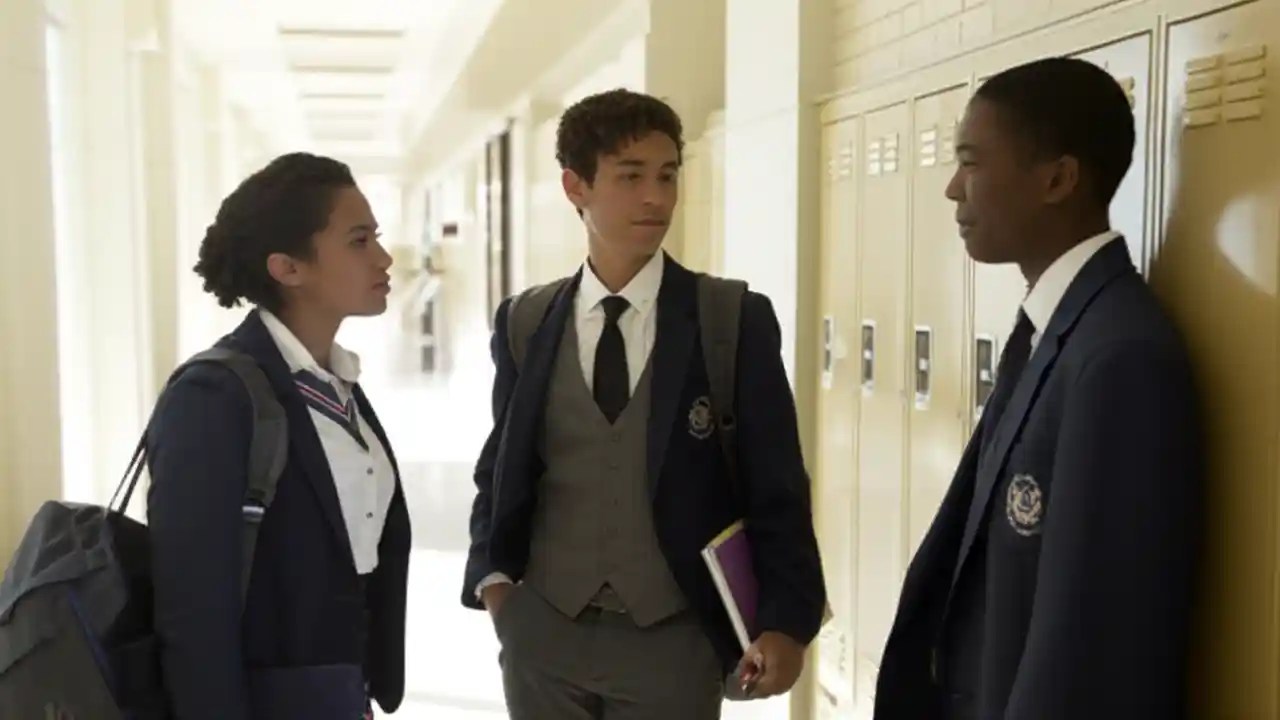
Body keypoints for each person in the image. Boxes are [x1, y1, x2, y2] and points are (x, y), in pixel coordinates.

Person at [461, 88, 827, 718]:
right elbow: (501, 466)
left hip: (673, 638)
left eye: (667, 176)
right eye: (630, 177)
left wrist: (787, 622)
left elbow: (778, 483)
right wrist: (496, 586)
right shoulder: (526, 321)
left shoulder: (730, 318)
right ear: (576, 187)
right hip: (544, 633)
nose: (655, 197)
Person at [874, 57, 1202, 719]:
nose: (951, 190)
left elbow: (1093, 638)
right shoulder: (1057, 330)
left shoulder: (1119, 357)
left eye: (971, 161)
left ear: (1057, 179)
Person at [146, 152, 412, 719]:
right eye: (359, 241)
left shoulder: (336, 381)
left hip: (341, 690)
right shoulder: (213, 397)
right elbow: (192, 606)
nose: (385, 258)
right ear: (288, 267)